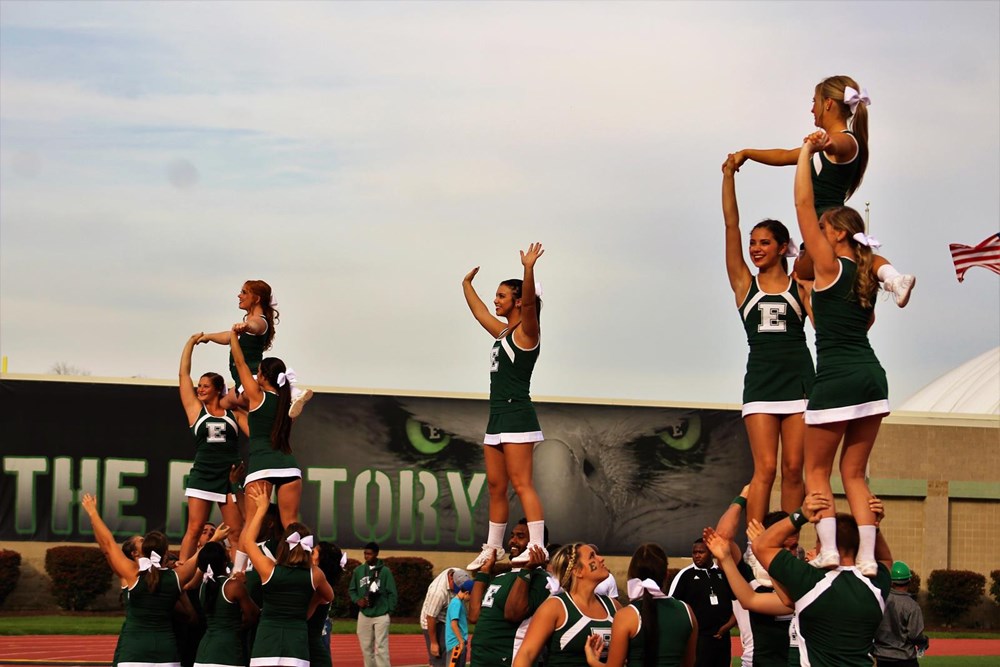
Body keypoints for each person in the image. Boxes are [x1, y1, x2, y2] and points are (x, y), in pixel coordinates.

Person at [730, 75, 915, 307]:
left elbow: (841, 145)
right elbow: (783, 155)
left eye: (814, 102)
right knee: (801, 271)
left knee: (851, 260)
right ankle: (881, 284)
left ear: (827, 103)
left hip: (831, 223)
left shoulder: (847, 141)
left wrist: (827, 143)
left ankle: (893, 278)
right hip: (818, 224)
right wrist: (746, 153)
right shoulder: (816, 148)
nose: (811, 109)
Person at [793, 133, 889, 575]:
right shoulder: (866, 276)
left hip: (835, 379)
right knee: (855, 475)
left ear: (839, 234)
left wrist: (805, 157)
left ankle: (830, 550)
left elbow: (801, 207)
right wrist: (811, 301)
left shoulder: (830, 265)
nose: (819, 235)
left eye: (825, 231)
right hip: (872, 377)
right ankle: (867, 558)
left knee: (817, 471)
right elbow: (851, 326)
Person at [722, 157, 812, 526]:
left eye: (764, 243)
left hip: (800, 382)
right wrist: (728, 176)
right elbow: (731, 224)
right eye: (753, 243)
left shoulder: (801, 286)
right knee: (766, 469)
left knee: (794, 469)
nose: (756, 248)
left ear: (781, 247)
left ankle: (787, 543)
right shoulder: (746, 284)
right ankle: (756, 546)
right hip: (760, 384)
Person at [462, 242, 547, 568]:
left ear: (519, 301)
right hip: (496, 417)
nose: (495, 301)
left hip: (517, 414)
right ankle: (493, 547)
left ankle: (538, 546)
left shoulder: (528, 333)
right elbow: (480, 312)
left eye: (501, 296)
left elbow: (529, 307)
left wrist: (528, 268)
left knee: (522, 483)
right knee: (496, 486)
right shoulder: (502, 334)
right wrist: (466, 286)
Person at [751, 492, 892, 667]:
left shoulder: (810, 580)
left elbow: (761, 545)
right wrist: (872, 528)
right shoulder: (875, 584)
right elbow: (886, 560)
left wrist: (801, 514)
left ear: (826, 545)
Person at [82, 493, 206, 667]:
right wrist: (213, 539)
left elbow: (108, 544)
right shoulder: (176, 575)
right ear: (165, 551)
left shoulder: (132, 574)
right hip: (166, 652)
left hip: (134, 650)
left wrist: (92, 513)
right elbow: (199, 552)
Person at [240, 485, 333, 667]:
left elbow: (248, 541)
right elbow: (328, 597)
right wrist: (309, 608)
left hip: (266, 640)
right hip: (296, 641)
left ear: (283, 544)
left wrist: (261, 509)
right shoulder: (315, 574)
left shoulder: (268, 569)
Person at [200, 280, 313, 416]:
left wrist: (247, 326)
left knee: (254, 404)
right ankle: (290, 395)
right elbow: (229, 336)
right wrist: (207, 337)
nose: (239, 296)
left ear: (257, 299)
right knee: (221, 405)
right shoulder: (244, 326)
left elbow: (256, 326)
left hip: (252, 376)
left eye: (244, 292)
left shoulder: (259, 321)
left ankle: (291, 395)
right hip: (239, 380)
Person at [179, 333, 244, 563]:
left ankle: (237, 576)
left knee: (236, 532)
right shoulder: (196, 411)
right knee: (194, 528)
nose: (200, 389)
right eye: (200, 386)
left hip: (228, 477)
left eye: (206, 386)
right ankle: (181, 573)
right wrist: (190, 345)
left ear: (218, 389)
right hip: (203, 475)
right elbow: (183, 375)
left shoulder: (234, 413)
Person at [230, 328, 302, 535]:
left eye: (259, 372)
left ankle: (240, 569)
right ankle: (303, 565)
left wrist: (234, 338)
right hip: (289, 467)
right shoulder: (287, 402)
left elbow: (240, 363)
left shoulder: (256, 395)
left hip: (262, 466)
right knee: (290, 525)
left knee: (252, 524)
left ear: (262, 376)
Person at [584, 543, 697, 667]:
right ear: (666, 575)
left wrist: (592, 660)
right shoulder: (687, 611)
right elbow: (689, 663)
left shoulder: (626, 616)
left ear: (631, 575)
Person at [513, 543, 620, 667]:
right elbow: (526, 655)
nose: (601, 559)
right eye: (592, 557)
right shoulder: (555, 607)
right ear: (578, 571)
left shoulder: (614, 606)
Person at [468, 520, 551, 666]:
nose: (512, 541)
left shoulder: (541, 578)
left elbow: (513, 614)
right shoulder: (501, 577)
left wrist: (527, 570)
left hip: (508, 657)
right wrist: (484, 572)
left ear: (536, 544)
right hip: (479, 658)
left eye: (520, 536)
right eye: (512, 535)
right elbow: (474, 616)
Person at [666, 539, 736, 667]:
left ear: (711, 553)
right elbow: (672, 606)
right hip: (698, 638)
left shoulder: (723, 573)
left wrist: (728, 626)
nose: (697, 555)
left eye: (701, 552)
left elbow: (738, 603)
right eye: (694, 552)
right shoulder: (685, 575)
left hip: (723, 638)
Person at [193, 541, 259, 667]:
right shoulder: (234, 586)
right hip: (228, 653)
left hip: (203, 655)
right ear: (225, 559)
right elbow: (253, 615)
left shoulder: (203, 586)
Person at [349, 541, 397, 667]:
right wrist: (357, 600)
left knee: (381, 648)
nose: (366, 556)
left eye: (369, 554)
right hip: (364, 614)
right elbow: (352, 590)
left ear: (376, 554)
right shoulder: (358, 571)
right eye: (365, 553)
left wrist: (388, 610)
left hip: (381, 615)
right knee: (366, 649)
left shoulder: (385, 572)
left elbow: (392, 593)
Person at [872, 561, 929, 667]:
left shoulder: (880, 600)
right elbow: (914, 635)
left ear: (891, 581)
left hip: (881, 658)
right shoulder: (912, 606)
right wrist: (924, 642)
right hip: (905, 659)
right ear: (909, 580)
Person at [421, 566, 473, 667]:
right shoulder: (438, 592)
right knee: (439, 658)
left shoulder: (459, 575)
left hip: (448, 619)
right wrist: (434, 643)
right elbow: (430, 617)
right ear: (451, 579)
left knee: (451, 659)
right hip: (434, 620)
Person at [307, 541, 345, 667]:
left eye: (312, 553)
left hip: (313, 652)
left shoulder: (320, 589)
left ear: (321, 560)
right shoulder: (316, 582)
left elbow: (304, 616)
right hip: (307, 648)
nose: (308, 554)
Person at [446, 579, 475, 667]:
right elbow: (453, 624)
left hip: (458, 643)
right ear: (466, 593)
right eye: (472, 596)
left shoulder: (459, 602)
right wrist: (461, 641)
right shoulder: (456, 603)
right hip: (456, 644)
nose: (471, 599)